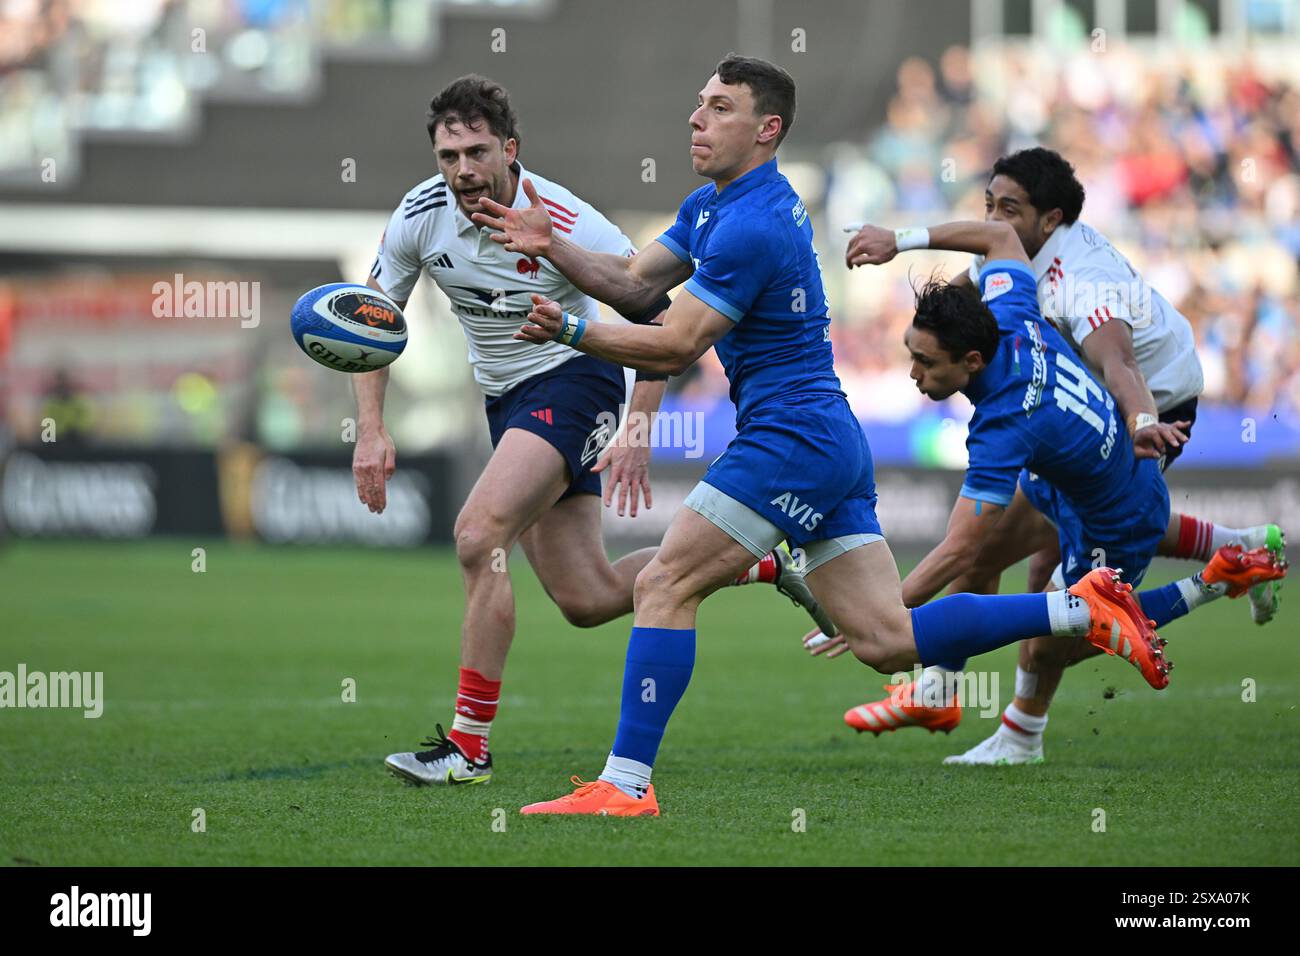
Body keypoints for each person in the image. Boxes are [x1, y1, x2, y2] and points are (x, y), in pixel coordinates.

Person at [472, 55, 1174, 817]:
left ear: (766, 129)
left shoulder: (750, 224)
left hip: (790, 437)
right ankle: (1082, 609)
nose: (695, 118)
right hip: (826, 437)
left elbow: (675, 343)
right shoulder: (715, 205)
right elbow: (638, 284)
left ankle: (626, 784)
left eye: (718, 107)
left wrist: (573, 329)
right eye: (698, 103)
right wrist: (555, 247)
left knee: (662, 583)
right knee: (886, 640)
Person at [357, 74, 831, 787]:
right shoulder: (418, 215)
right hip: (505, 402)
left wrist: (638, 427)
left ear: (510, 150)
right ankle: (753, 561)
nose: (462, 170)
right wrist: (370, 428)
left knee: (478, 536)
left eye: (476, 152)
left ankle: (468, 747)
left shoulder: (571, 221)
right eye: (448, 155)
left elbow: (655, 316)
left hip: (573, 382)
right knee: (586, 598)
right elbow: (372, 323)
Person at [839, 148, 1286, 763]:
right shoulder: (1014, 305)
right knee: (1008, 560)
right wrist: (903, 242)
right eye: (989, 202)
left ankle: (1219, 577)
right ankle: (941, 688)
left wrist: (886, 617)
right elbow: (994, 246)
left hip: (1146, 414)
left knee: (1062, 617)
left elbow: (1121, 364)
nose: (994, 216)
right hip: (1080, 444)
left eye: (1009, 207)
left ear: (1049, 220)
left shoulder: (1078, 290)